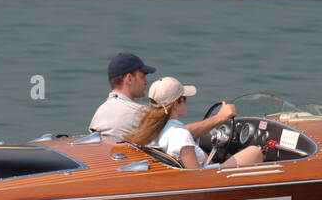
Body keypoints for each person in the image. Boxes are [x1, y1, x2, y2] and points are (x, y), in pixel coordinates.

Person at [89, 53, 237, 141]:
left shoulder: (100, 111)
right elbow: (178, 135)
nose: (146, 82)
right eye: (143, 76)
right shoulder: (136, 112)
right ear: (129, 79)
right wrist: (219, 118)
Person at [127, 77, 264, 170]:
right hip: (207, 182)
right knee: (255, 151)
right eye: (185, 98)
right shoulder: (181, 136)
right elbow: (195, 178)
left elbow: (186, 133)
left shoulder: (151, 130)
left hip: (177, 177)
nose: (187, 101)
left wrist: (219, 118)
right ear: (175, 105)